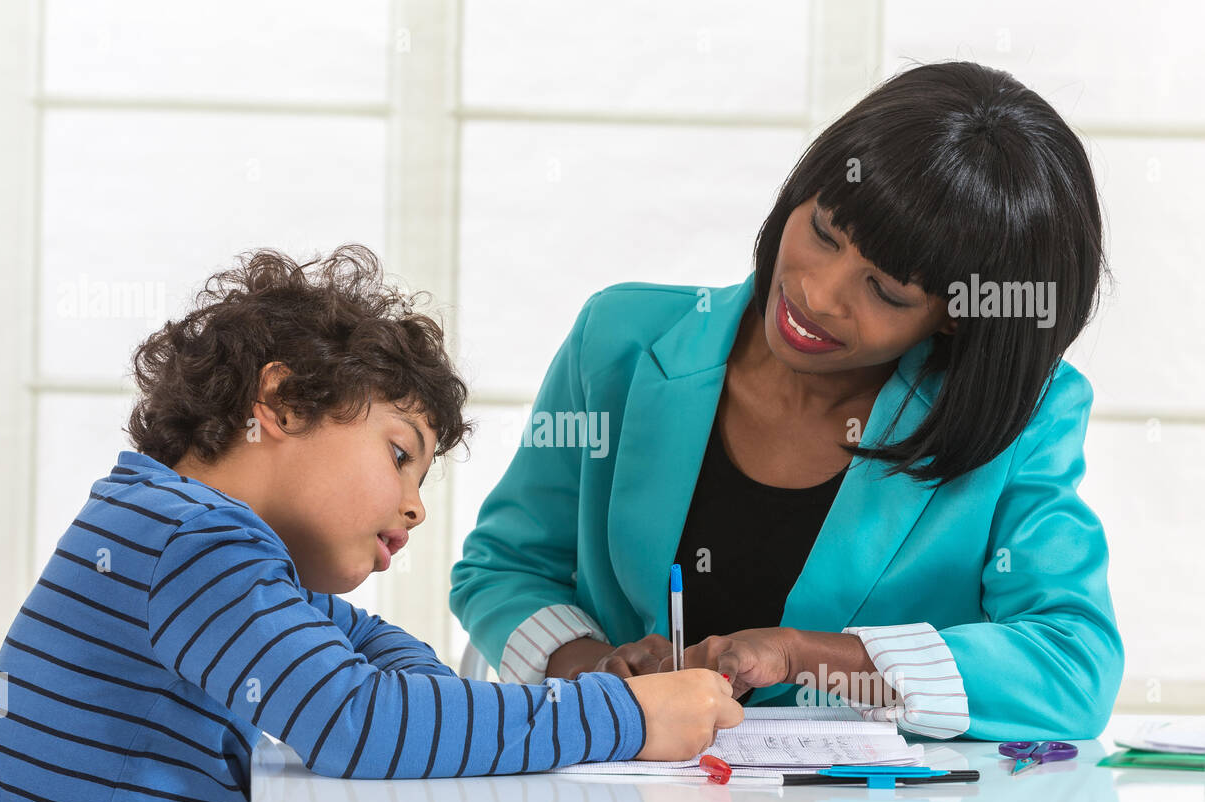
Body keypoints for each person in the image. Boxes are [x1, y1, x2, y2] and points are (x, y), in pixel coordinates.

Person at [0, 245, 740, 802]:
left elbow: (361, 647)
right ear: (284, 402)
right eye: (400, 454)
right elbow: (353, 720)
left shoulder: (163, 523)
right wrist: (627, 717)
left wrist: (423, 694)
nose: (416, 505)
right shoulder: (192, 539)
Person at [450, 61, 1124, 742]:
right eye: (824, 232)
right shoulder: (620, 341)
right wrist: (602, 679)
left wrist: (807, 655)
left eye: (886, 291)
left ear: (956, 315)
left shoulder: (1025, 417)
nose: (818, 294)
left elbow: (1072, 666)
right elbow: (507, 567)